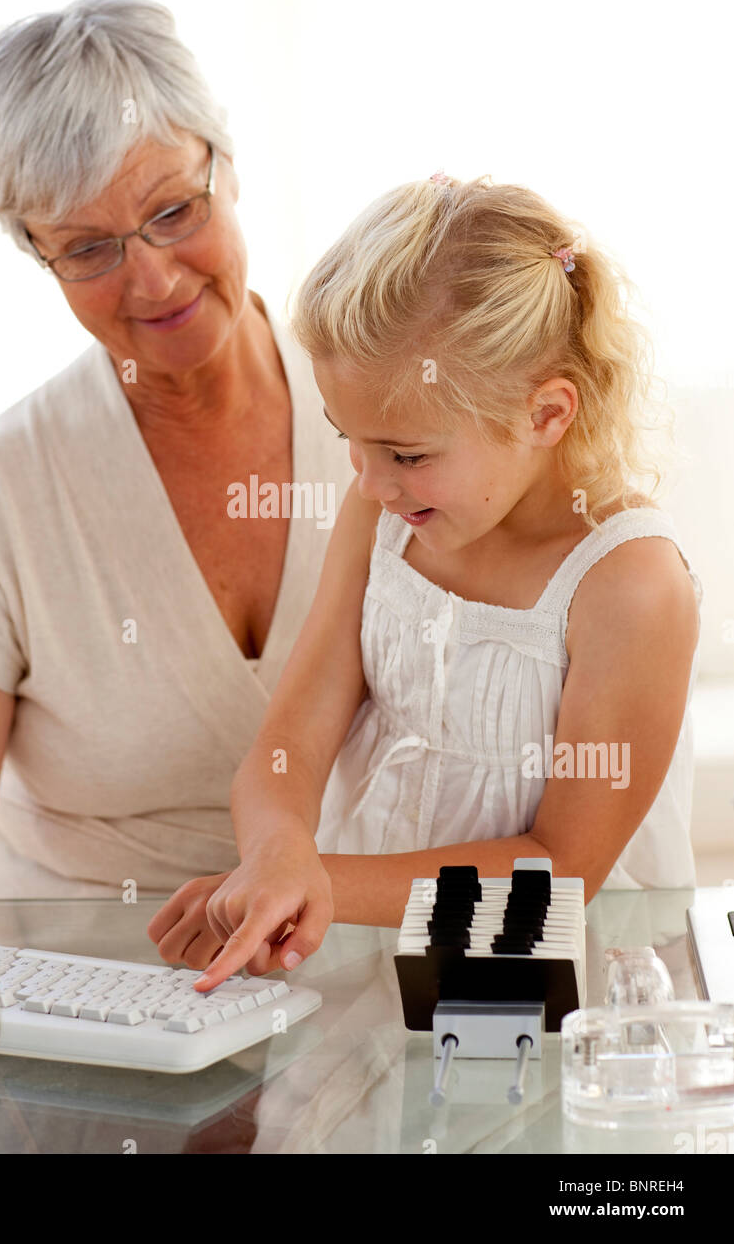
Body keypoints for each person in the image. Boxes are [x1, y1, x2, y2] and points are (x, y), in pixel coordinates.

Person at [148, 171, 702, 987]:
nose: (370, 483)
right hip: (358, 966)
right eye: (350, 440)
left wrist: (313, 881)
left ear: (545, 414)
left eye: (406, 454)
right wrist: (274, 857)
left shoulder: (629, 584)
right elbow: (287, 745)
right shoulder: (384, 518)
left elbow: (562, 868)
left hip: (553, 1001)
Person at [0, 0, 352, 898]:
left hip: (359, 960)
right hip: (88, 987)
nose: (154, 278)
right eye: (88, 250)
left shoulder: (398, 426)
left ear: (229, 167)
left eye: (174, 211)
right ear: (35, 253)